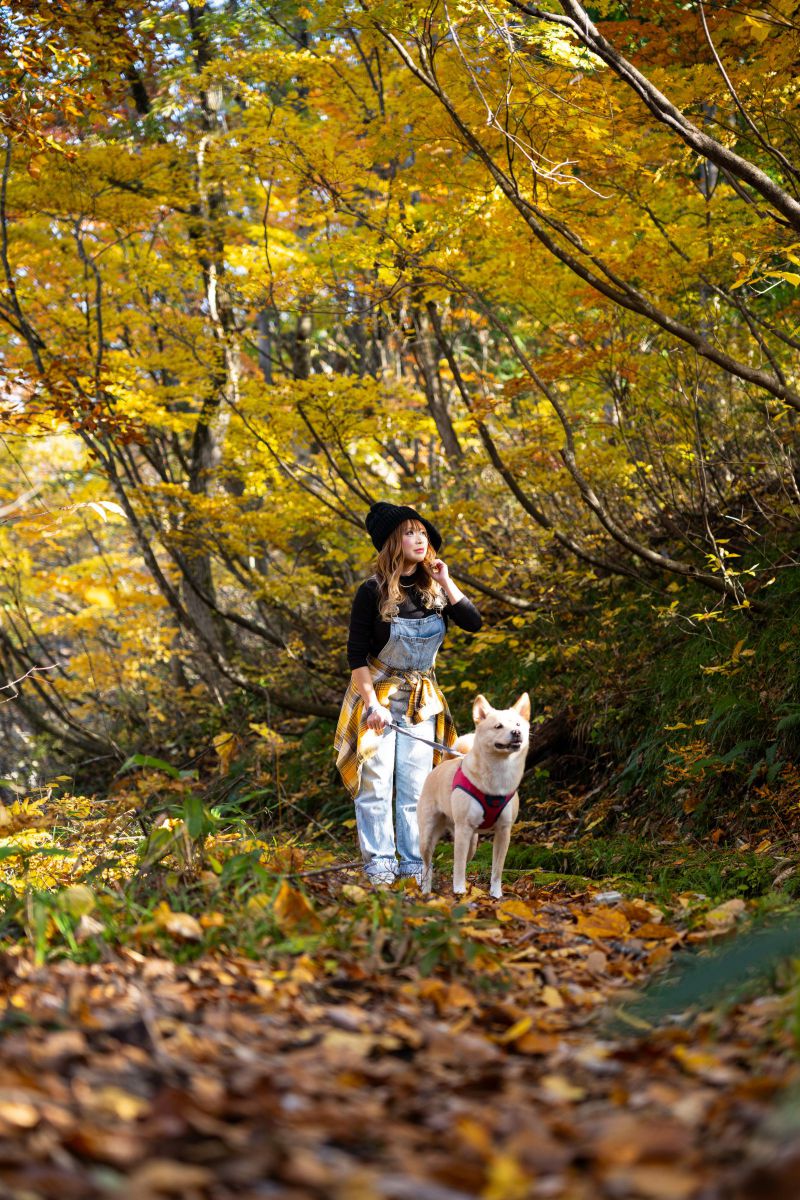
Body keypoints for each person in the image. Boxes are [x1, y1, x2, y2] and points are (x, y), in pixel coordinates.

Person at [334, 501, 482, 885]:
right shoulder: (371, 592)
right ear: (391, 543)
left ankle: (416, 868)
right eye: (409, 533)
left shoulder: (434, 589)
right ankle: (380, 867)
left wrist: (447, 580)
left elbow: (474, 622)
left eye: (422, 533)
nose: (419, 539)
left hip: (421, 700)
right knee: (375, 785)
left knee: (416, 787)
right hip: (377, 698)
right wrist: (372, 706)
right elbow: (356, 659)